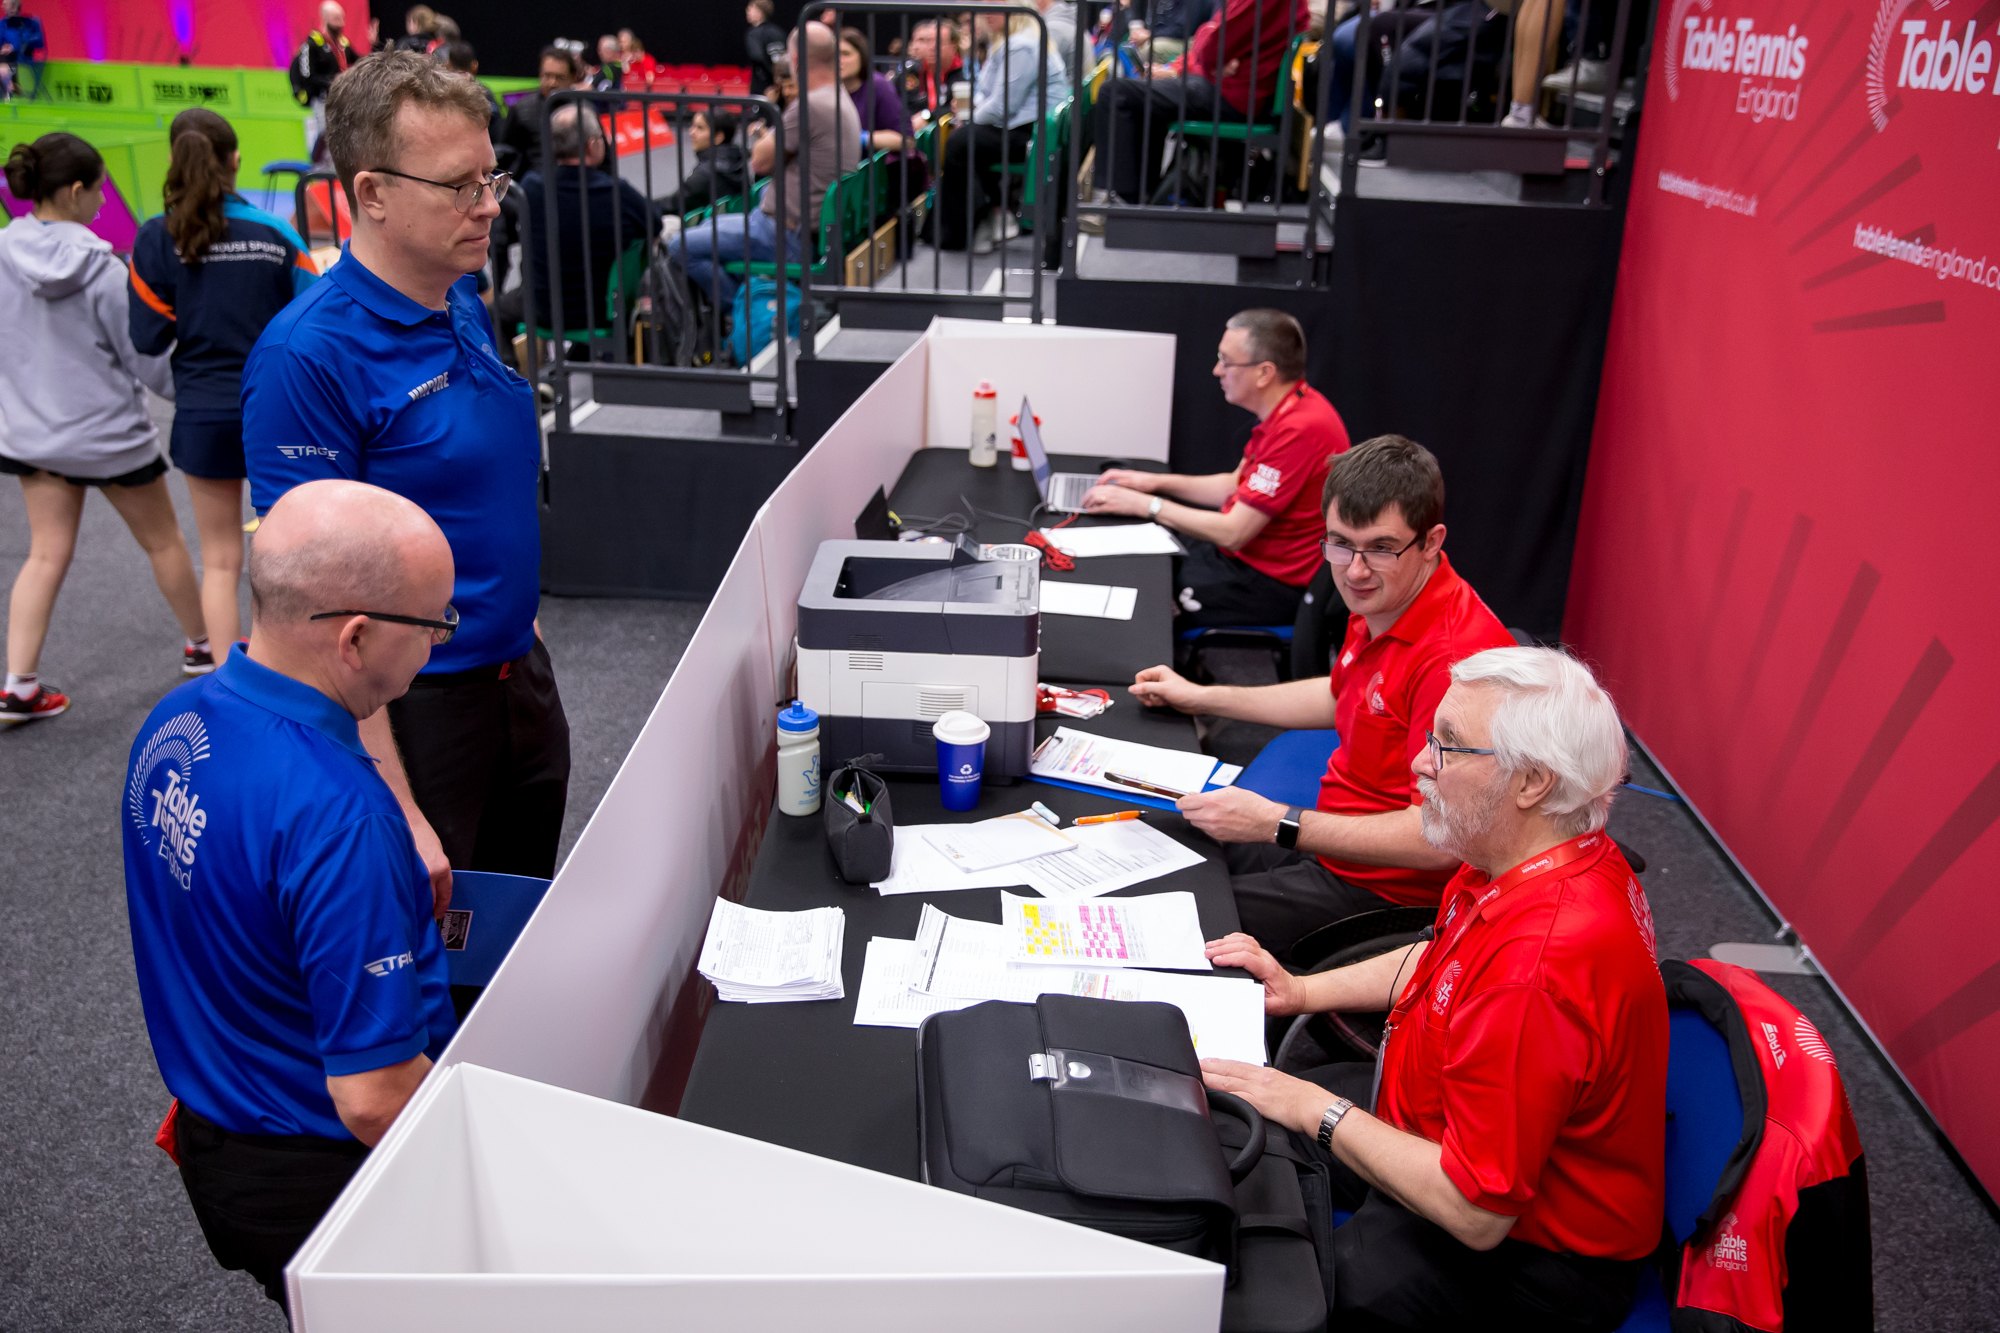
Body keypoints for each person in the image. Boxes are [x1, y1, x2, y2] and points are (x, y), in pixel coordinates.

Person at [1200, 646, 1668, 1331]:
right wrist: (1302, 990)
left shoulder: (1537, 969)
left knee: (1270, 1300)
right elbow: (1440, 957)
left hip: (1521, 1254)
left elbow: (1476, 1212)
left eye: (1446, 746)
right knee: (1238, 1123)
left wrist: (1316, 1108)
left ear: (1532, 781)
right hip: (1442, 1134)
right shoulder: (1522, 853)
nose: (1419, 763)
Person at [125, 478, 460, 1313]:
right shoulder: (340, 816)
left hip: (220, 1130)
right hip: (328, 1177)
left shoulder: (177, 722)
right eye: (433, 624)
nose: (440, 645)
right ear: (354, 636)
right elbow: (375, 1098)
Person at [242, 51, 571, 901]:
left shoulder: (459, 290)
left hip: (516, 683)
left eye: (491, 176)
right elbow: (310, 617)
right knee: (428, 964)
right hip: (414, 717)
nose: (490, 205)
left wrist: (518, 629)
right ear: (371, 193)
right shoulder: (305, 356)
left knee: (515, 937)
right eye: (459, 186)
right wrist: (398, 802)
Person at [1132, 434, 1516, 954]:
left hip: (1381, 891)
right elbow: (1340, 700)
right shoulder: (1389, 599)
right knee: (1154, 845)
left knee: (1172, 917)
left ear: (1431, 541)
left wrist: (1278, 823)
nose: (1354, 571)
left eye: (1381, 548)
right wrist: (1202, 696)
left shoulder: (1453, 664)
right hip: (1328, 842)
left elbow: (1439, 840)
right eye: (1340, 543)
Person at [0, 133, 209, 723]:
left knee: (44, 554)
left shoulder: (1, 251)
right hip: (110, 439)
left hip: (32, 437)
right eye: (96, 191)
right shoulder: (103, 267)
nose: (100, 202)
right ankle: (203, 647)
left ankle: (18, 685)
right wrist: (190, 391)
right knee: (164, 542)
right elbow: (143, 355)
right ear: (73, 191)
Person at [129, 109, 320, 655]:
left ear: (173, 158)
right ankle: (295, 673)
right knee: (291, 552)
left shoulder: (155, 238)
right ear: (236, 161)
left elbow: (145, 337)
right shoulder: (279, 234)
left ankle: (225, 687)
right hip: (276, 413)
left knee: (219, 560)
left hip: (202, 416)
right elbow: (314, 323)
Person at [1084, 309, 1348, 631]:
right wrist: (1152, 483)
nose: (1216, 370)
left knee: (1144, 596)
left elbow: (1234, 533)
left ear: (1264, 373)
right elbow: (1234, 484)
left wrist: (1146, 505)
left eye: (1227, 361)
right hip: (1244, 561)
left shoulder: (1300, 430)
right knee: (1148, 556)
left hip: (1267, 582)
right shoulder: (1292, 409)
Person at [668, 22, 859, 310]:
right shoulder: (839, 97)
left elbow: (759, 160)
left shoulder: (810, 105)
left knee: (680, 245)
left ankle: (743, 310)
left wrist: (773, 122)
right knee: (710, 223)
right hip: (795, 226)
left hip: (782, 233)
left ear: (795, 60)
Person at [1092, 0, 1307, 203]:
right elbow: (1211, 48)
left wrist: (1210, 39)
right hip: (1231, 86)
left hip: (1234, 95)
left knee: (1115, 92)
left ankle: (1120, 203)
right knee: (1144, 94)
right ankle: (1138, 198)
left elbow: (1212, 46)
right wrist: (1188, 64)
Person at [501, 103, 650, 339]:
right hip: (604, 312)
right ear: (593, 145)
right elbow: (655, 224)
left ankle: (511, 373)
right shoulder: (618, 193)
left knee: (489, 312)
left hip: (542, 308)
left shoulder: (531, 188)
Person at [935, 10, 1070, 253]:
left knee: (959, 143)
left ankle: (973, 225)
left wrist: (968, 119)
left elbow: (1002, 106)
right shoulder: (1010, 41)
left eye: (995, 6)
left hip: (1032, 133)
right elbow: (986, 93)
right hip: (1024, 126)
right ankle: (992, 212)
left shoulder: (1021, 46)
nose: (986, 13)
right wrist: (972, 109)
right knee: (965, 141)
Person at [838, 26, 929, 209]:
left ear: (861, 56)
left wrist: (858, 138)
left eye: (846, 53)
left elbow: (906, 140)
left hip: (875, 186)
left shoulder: (878, 87)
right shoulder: (827, 91)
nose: (839, 60)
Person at [290, 1, 355, 165]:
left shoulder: (342, 44)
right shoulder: (313, 44)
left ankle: (337, 173)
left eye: (342, 18)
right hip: (322, 100)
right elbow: (308, 76)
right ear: (325, 18)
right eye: (336, 19)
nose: (341, 23)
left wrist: (373, 43)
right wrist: (334, 80)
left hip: (342, 100)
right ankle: (318, 170)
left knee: (343, 135)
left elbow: (359, 61)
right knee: (325, 133)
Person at [655, 108, 748, 216]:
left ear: (718, 137)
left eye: (700, 128)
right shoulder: (738, 161)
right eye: (692, 126)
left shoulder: (706, 173)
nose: (691, 132)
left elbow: (672, 205)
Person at [900, 18, 964, 119]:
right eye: (928, 41)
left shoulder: (963, 74)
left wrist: (927, 117)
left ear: (953, 46)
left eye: (939, 42)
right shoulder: (912, 71)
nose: (932, 47)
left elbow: (961, 110)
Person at [0, 0, 48, 101]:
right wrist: (3, 48)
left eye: (5, 4)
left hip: (24, 53)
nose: (2, 7)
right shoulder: (3, 22)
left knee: (5, 64)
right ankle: (11, 86)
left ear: (14, 6)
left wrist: (13, 46)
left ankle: (10, 88)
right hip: (8, 56)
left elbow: (31, 40)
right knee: (4, 62)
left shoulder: (28, 22)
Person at [745, 0, 788, 94]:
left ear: (760, 12)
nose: (747, 11)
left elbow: (757, 58)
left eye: (751, 8)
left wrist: (768, 83)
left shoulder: (754, 34)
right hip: (782, 89)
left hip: (762, 91)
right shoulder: (779, 32)